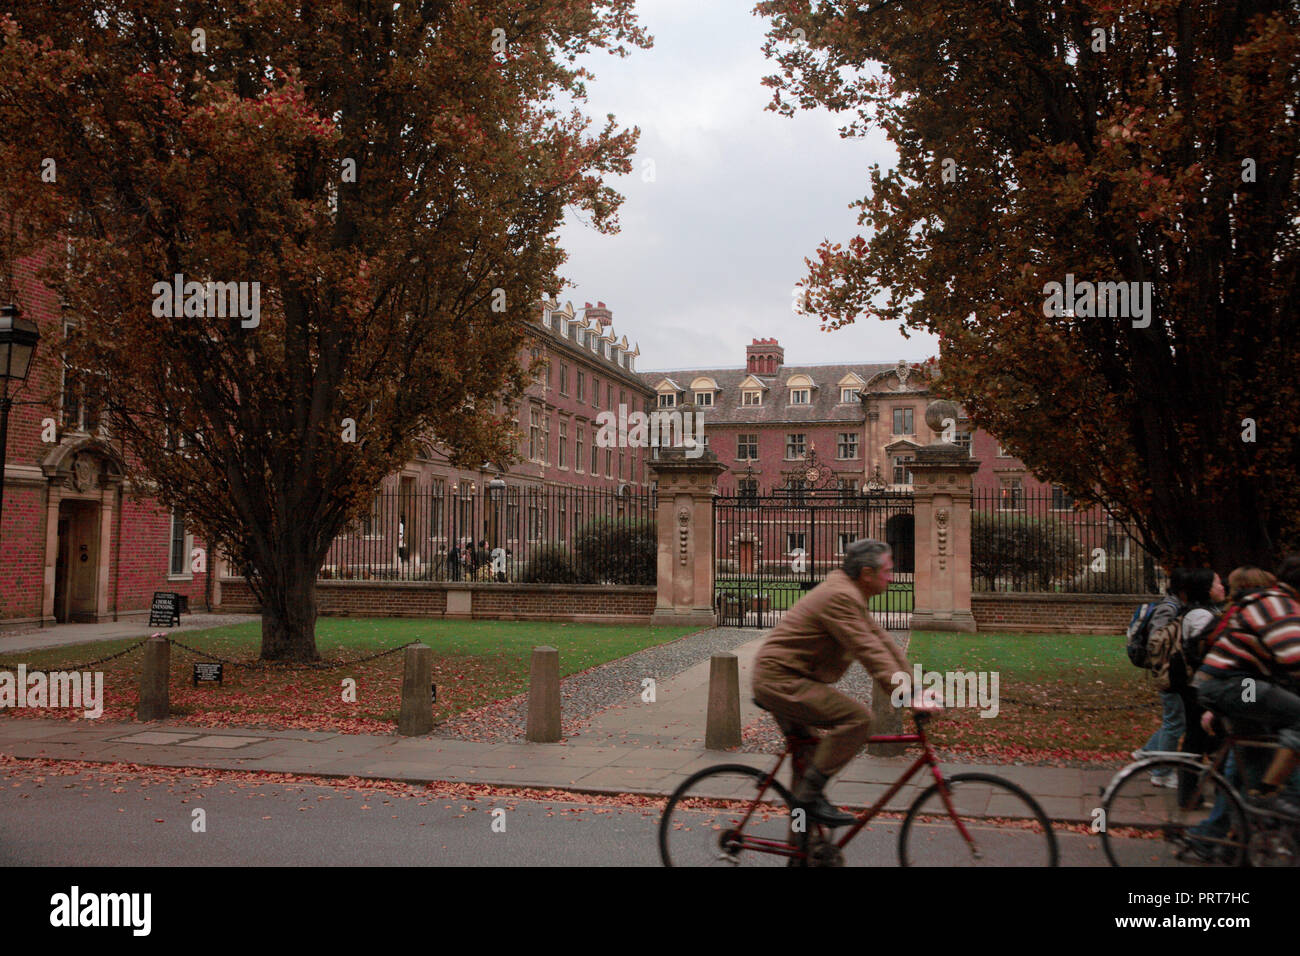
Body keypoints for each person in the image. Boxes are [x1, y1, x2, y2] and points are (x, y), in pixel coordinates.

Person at [751, 538, 940, 825]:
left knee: (809, 760)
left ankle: (804, 849)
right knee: (858, 719)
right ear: (866, 573)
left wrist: (915, 689)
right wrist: (907, 695)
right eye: (886, 571)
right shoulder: (841, 597)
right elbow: (868, 649)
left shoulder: (850, 594)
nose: (891, 576)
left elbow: (882, 641)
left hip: (790, 677)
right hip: (781, 680)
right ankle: (809, 800)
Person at [1195, 555, 1300, 818]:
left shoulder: (1263, 603)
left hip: (1233, 683)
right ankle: (1270, 792)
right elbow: (1293, 656)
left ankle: (1218, 837)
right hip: (1241, 685)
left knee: (1249, 759)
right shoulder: (1279, 605)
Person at [1133, 568, 1191, 787]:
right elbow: (1156, 641)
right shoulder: (1169, 608)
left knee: (1175, 719)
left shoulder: (1176, 606)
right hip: (1168, 672)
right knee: (1175, 722)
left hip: (1171, 671)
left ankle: (1148, 752)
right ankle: (1161, 772)